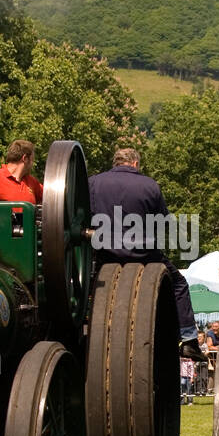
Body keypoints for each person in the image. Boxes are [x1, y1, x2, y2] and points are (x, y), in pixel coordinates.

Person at [88, 147, 201, 360]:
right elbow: (163, 221)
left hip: (104, 255)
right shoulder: (150, 185)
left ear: (116, 163)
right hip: (143, 255)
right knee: (179, 284)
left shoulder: (94, 183)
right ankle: (188, 339)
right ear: (135, 164)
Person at [0, 140, 44, 205]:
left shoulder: (32, 182)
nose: (32, 164)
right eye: (32, 160)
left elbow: (51, 197)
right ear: (25, 158)